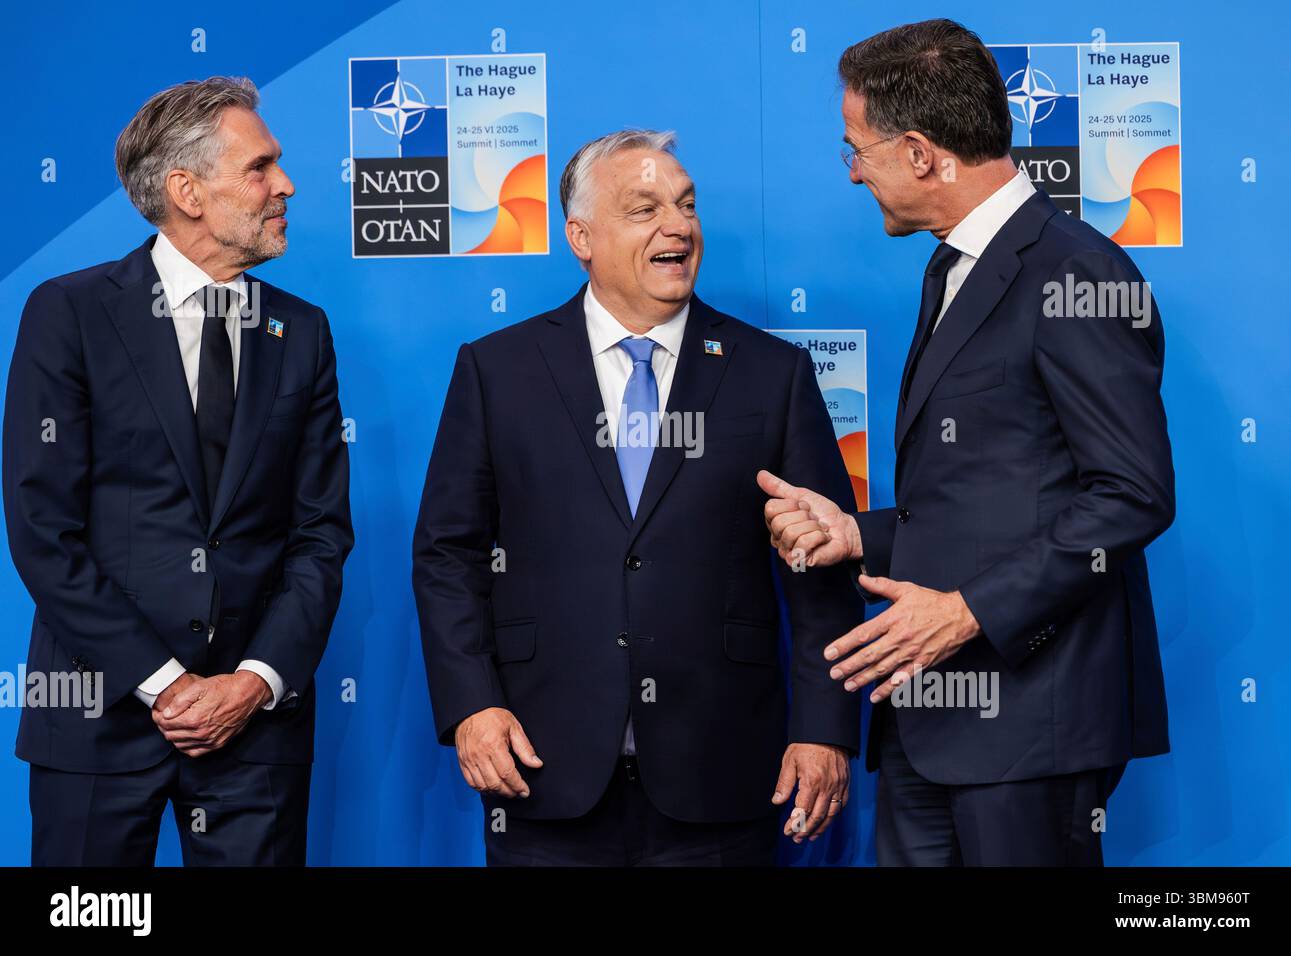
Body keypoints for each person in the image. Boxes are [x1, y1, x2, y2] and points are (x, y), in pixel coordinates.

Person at [761, 19, 1175, 866]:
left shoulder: (1075, 273)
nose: (852, 171)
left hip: (1032, 726)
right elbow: (988, 491)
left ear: (919, 154)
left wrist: (966, 612)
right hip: (930, 717)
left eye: (858, 150)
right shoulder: (954, 267)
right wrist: (856, 533)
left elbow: (1132, 494)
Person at [414, 129, 861, 866]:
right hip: (542, 770)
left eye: (686, 206)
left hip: (722, 772)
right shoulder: (498, 371)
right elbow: (446, 556)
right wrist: (471, 705)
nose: (678, 227)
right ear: (581, 236)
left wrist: (824, 728)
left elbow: (820, 567)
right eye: (644, 208)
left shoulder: (771, 374)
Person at [3, 76, 353, 865]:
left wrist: (252, 682)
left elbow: (321, 534)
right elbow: (42, 531)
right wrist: (165, 684)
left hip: (255, 729)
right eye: (260, 167)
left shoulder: (302, 331)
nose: (285, 185)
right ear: (187, 191)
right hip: (98, 718)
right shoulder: (71, 313)